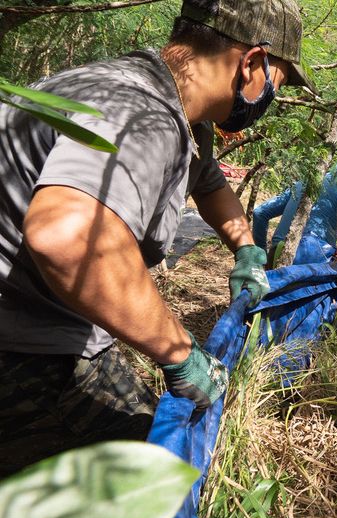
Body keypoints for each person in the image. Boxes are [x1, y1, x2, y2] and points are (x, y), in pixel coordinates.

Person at [0, 0, 312, 476]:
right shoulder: (140, 113)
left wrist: (245, 248)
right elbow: (67, 238)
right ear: (252, 63)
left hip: (36, 313)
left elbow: (208, 183)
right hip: (23, 347)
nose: (271, 96)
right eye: (278, 82)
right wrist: (180, 353)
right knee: (156, 476)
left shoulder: (165, 99)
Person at [252, 159, 337, 266]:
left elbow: (259, 213)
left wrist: (262, 259)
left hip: (277, 250)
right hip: (311, 250)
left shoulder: (303, 183)